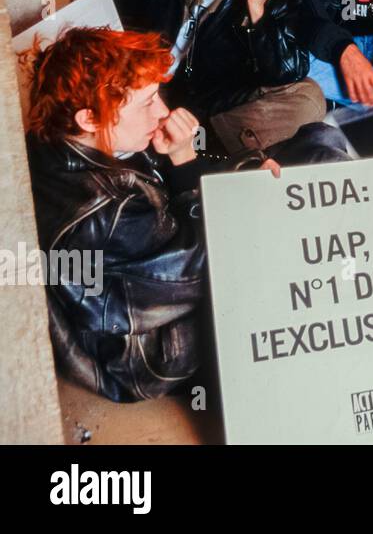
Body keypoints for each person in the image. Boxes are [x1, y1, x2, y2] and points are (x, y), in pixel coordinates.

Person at [24, 27, 349, 402]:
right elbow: (205, 266)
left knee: (317, 141)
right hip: (149, 352)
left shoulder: (77, 140)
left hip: (160, 282)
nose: (163, 111)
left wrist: (185, 159)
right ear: (89, 119)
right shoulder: (106, 210)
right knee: (306, 219)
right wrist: (199, 170)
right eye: (146, 103)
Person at [97, 0, 323, 152]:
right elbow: (95, 29)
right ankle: (162, 143)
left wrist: (259, 9)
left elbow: (286, 73)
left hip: (203, 100)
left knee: (308, 98)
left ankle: (196, 145)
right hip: (134, 84)